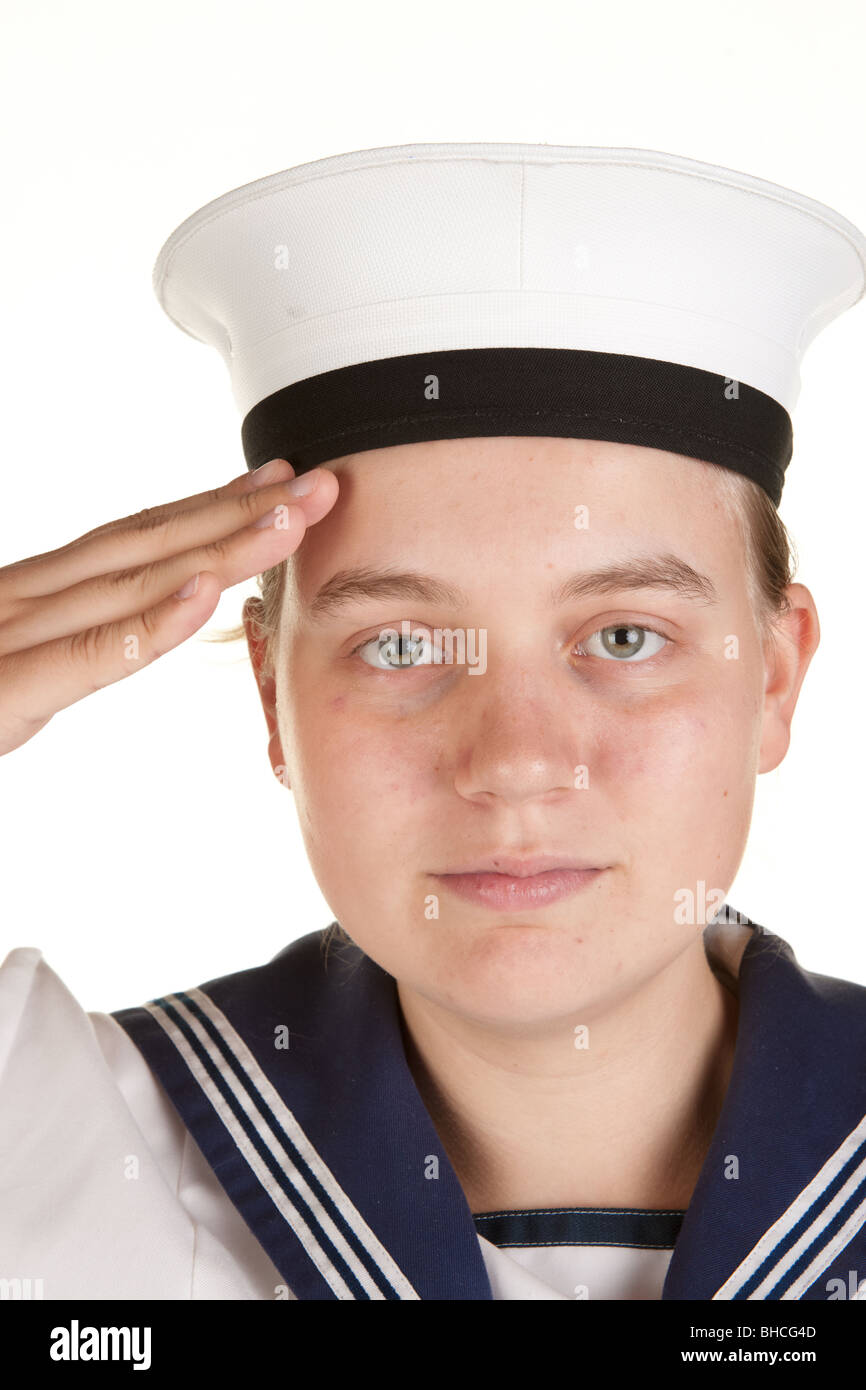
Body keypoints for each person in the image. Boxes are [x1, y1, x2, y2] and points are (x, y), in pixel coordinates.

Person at [1, 143, 866, 1302]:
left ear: (771, 676)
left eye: (621, 636)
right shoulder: (59, 1155)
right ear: (271, 693)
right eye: (400, 644)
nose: (514, 761)